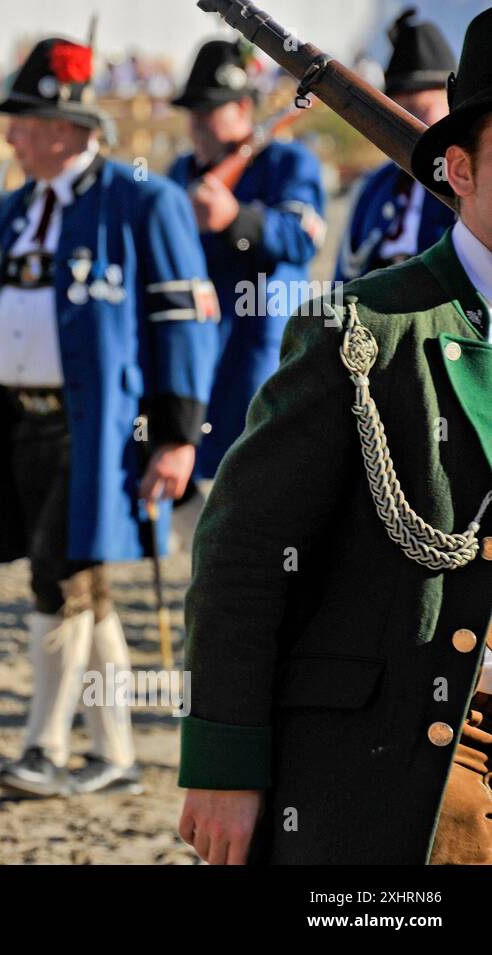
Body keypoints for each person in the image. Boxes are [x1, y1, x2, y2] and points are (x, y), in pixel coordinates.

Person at [178, 9, 492, 865]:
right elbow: (245, 549)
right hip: (420, 762)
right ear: (459, 167)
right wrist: (225, 761)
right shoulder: (363, 331)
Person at [0, 37, 220, 798]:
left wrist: (178, 434)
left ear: (64, 128)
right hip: (11, 424)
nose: (12, 137)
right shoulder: (11, 209)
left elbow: (185, 321)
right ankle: (119, 752)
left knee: (58, 580)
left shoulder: (142, 200)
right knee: (84, 586)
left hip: (97, 431)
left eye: (23, 123)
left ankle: (43, 746)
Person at [168, 39, 324, 486]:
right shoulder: (182, 170)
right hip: (199, 337)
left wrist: (236, 218)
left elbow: (302, 237)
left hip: (263, 333)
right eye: (193, 109)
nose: (197, 121)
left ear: (241, 108)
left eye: (209, 108)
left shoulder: (288, 162)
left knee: (264, 464)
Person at [336, 8, 456, 283]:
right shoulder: (376, 185)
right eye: (398, 113)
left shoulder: (469, 182)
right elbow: (344, 277)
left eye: (420, 108)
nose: (407, 122)